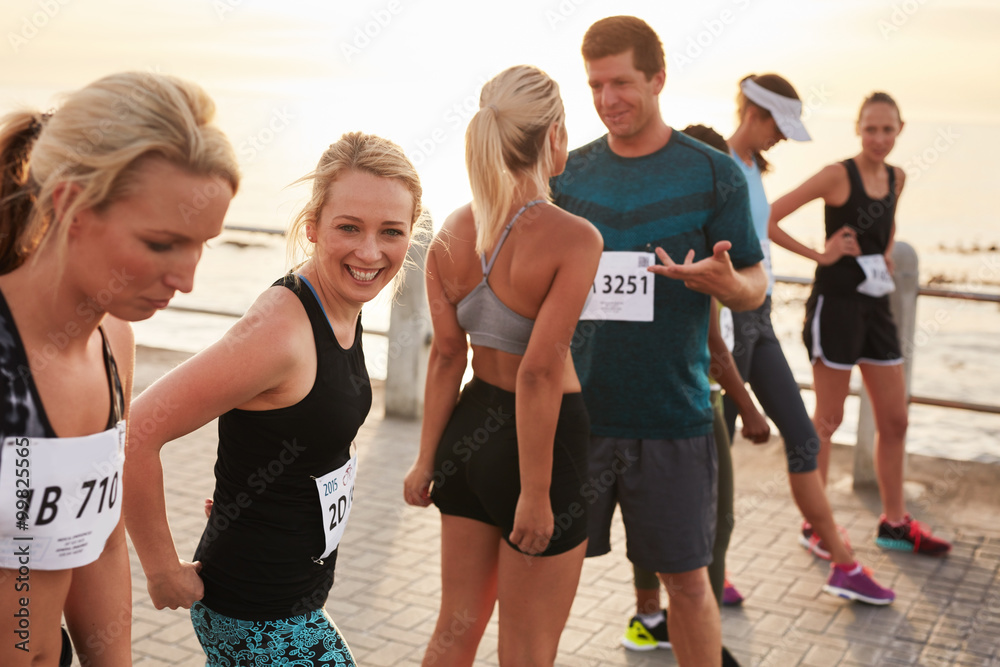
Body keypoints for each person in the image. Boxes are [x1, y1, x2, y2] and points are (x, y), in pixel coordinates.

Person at [124, 131, 422, 666]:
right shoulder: (279, 331)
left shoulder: (338, 309)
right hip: (257, 612)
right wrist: (162, 569)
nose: (370, 251)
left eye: (391, 232)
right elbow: (138, 432)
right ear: (312, 226)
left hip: (287, 599)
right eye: (349, 227)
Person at [0, 71, 238, 667]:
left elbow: (96, 541)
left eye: (201, 244)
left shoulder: (114, 343)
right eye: (161, 244)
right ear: (68, 205)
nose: (186, 279)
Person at [552, 16, 768, 667]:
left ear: (657, 78)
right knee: (546, 577)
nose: (608, 98)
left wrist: (729, 284)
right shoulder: (569, 174)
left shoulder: (713, 174)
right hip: (576, 416)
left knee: (688, 585)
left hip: (674, 420)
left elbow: (754, 282)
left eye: (621, 82)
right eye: (595, 85)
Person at [403, 65, 602, 666]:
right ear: (554, 134)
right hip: (543, 449)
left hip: (467, 436)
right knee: (526, 649)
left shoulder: (448, 235)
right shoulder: (575, 238)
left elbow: (444, 356)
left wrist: (425, 460)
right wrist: (537, 494)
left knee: (453, 630)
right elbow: (539, 374)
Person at [722, 75, 895, 604]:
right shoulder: (719, 163)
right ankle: (703, 576)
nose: (781, 139)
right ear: (755, 113)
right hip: (726, 328)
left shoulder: (752, 166)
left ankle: (842, 566)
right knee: (715, 457)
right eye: (778, 126)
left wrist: (820, 255)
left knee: (801, 438)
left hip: (762, 317)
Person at [769, 91, 951, 557]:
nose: (879, 138)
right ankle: (816, 525)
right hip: (836, 305)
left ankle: (894, 524)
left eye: (887, 129)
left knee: (896, 418)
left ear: (900, 131)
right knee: (828, 420)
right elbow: (769, 217)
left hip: (877, 308)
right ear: (857, 128)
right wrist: (819, 253)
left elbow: (886, 226)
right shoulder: (837, 175)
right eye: (870, 128)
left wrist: (886, 254)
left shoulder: (896, 177)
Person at [622, 126, 770, 663]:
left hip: (671, 405)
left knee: (655, 528)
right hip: (696, 404)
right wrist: (751, 411)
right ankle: (688, 630)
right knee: (709, 527)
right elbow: (717, 351)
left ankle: (651, 618)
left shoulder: (673, 242)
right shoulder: (691, 255)